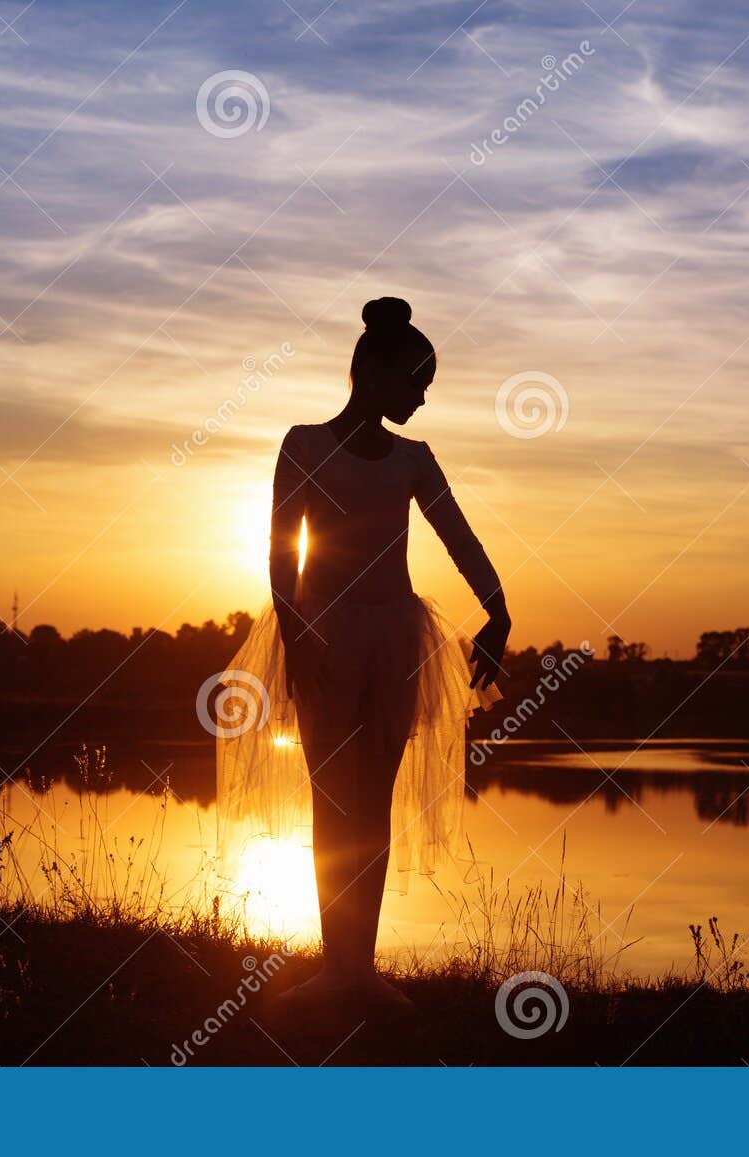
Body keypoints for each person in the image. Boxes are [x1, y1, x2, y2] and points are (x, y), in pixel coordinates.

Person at [215, 295, 509, 1011]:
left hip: (394, 642)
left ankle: (359, 968)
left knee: (372, 800)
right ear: (374, 374)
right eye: (417, 383)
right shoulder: (305, 445)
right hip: (322, 637)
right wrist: (293, 637)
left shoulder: (414, 459)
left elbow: (458, 536)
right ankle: (335, 964)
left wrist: (498, 607)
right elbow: (283, 552)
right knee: (331, 800)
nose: (422, 398)